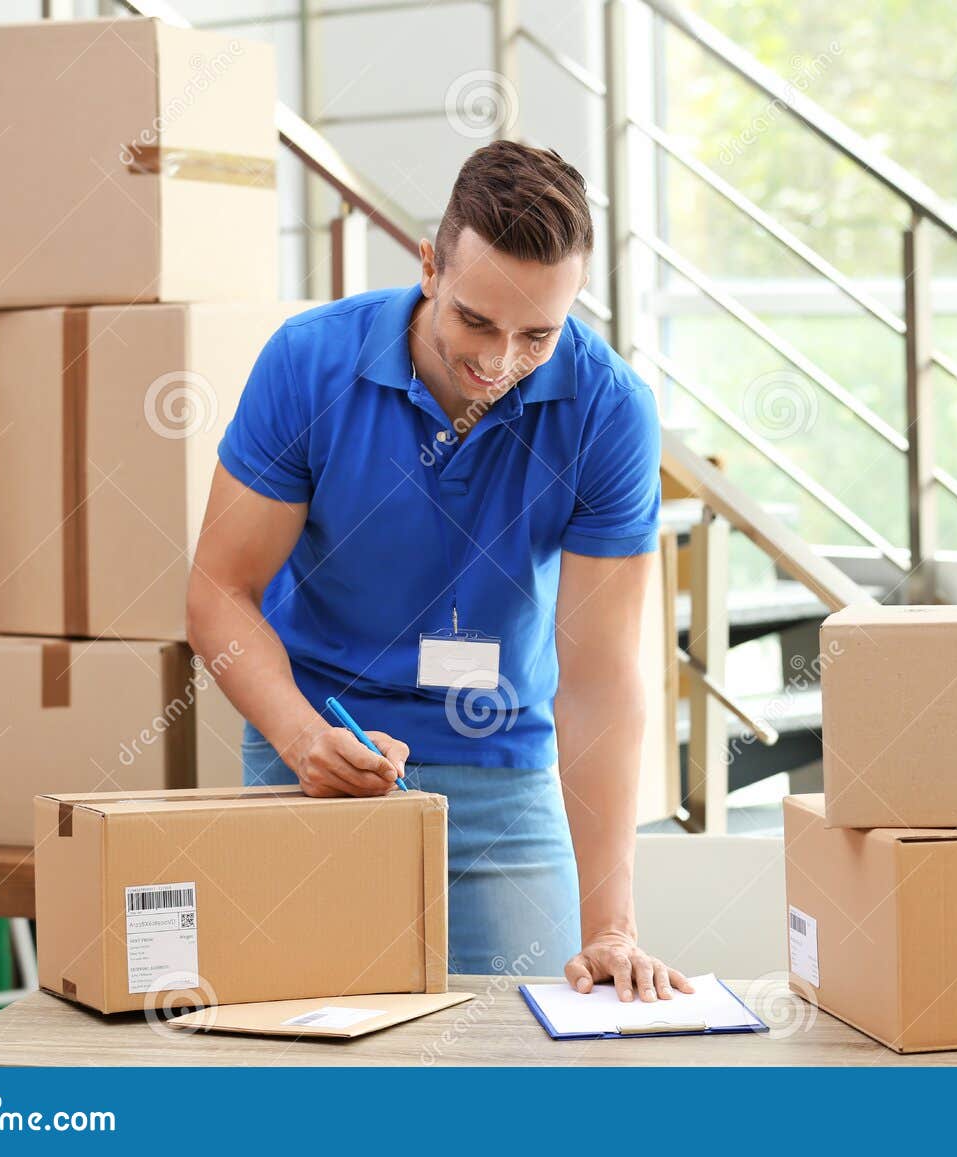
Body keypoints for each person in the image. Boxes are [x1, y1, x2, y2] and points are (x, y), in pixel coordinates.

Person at [187, 140, 693, 1004]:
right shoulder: (309, 363)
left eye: (538, 333)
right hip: (317, 748)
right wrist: (305, 740)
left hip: (501, 769)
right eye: (477, 322)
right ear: (429, 266)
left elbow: (603, 679)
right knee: (302, 1053)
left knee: (524, 1058)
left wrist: (612, 924)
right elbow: (218, 592)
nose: (499, 363)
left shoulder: (611, 409)